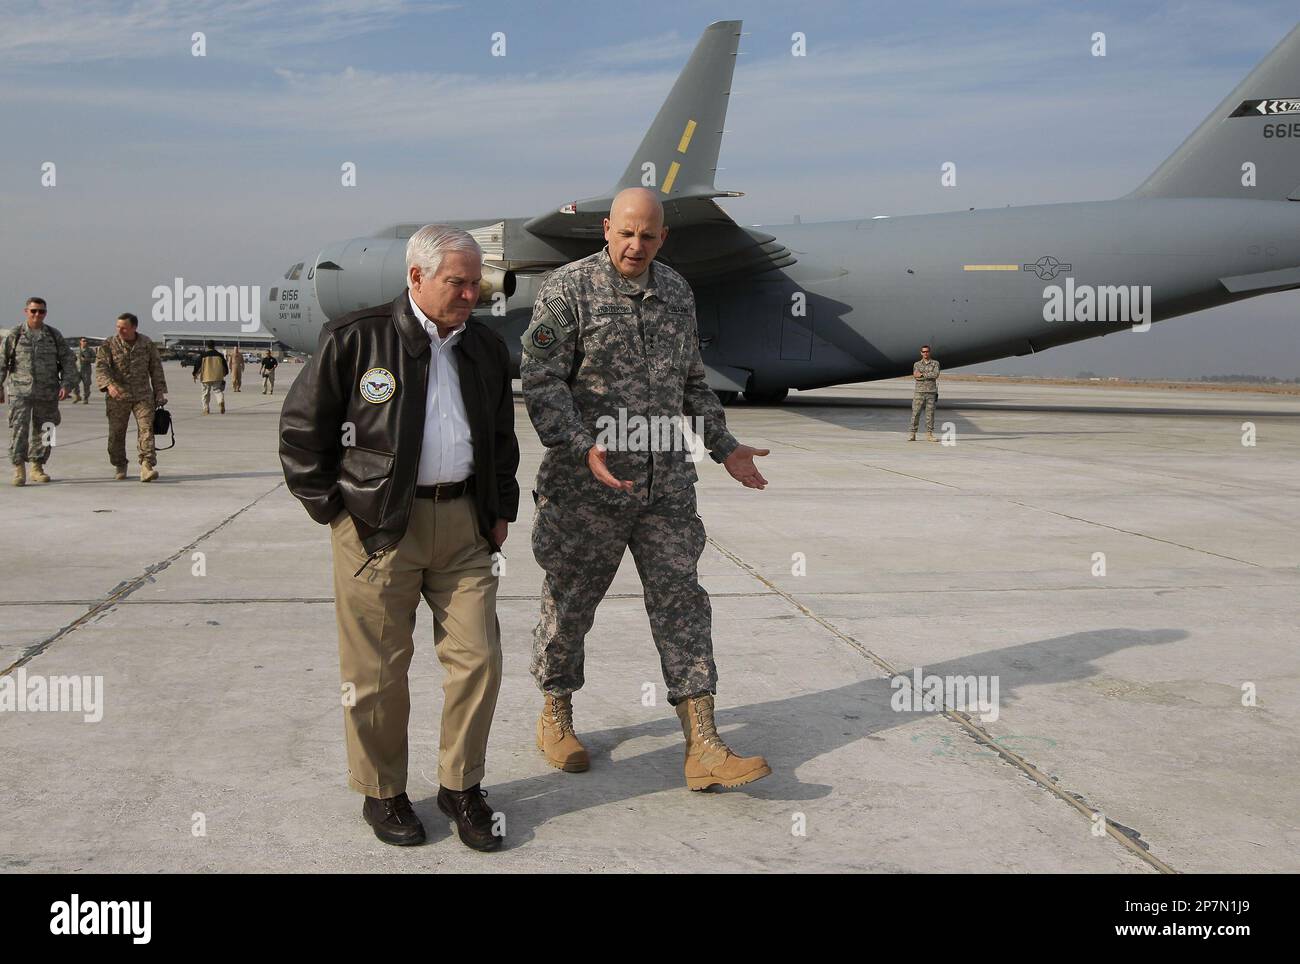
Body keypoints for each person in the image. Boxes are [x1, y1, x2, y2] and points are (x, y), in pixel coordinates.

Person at [521, 187, 772, 791]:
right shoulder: (567, 289)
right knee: (571, 602)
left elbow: (693, 383)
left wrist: (723, 444)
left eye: (648, 236)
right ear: (606, 228)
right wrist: (580, 445)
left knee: (682, 601)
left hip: (667, 484)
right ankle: (555, 712)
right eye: (626, 233)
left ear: (663, 238)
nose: (635, 246)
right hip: (588, 485)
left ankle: (703, 744)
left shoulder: (678, 292)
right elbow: (541, 380)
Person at [280, 224, 519, 851]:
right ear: (416, 277)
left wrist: (500, 509)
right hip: (379, 527)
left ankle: (460, 786)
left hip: (465, 524)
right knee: (377, 672)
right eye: (457, 283)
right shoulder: (356, 340)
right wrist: (333, 511)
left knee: (480, 658)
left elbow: (500, 438)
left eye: (476, 283)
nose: (471, 294)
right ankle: (383, 792)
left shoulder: (486, 348)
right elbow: (303, 434)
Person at [1, 297, 76, 486]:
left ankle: (38, 466)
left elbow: (68, 360)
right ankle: (19, 468)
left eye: (41, 311)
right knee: (19, 429)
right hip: (20, 391)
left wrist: (67, 384)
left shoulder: (53, 335)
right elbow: (2, 361)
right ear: (26, 311)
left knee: (47, 430)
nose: (37, 314)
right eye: (33, 311)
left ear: (45, 313)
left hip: (48, 391)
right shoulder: (15, 334)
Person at [96, 313, 168, 481]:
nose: (120, 330)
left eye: (124, 327)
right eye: (118, 327)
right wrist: (109, 385)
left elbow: (156, 368)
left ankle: (146, 465)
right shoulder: (109, 344)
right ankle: (120, 463)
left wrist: (159, 391)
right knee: (116, 434)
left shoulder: (146, 343)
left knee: (146, 430)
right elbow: (101, 368)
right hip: (118, 396)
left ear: (134, 327)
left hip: (142, 395)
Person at [908, 344, 941, 442]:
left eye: (927, 351)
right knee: (915, 413)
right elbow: (916, 376)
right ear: (921, 353)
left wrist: (922, 374)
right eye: (924, 352)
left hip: (931, 392)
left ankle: (929, 434)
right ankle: (912, 434)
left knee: (930, 414)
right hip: (919, 392)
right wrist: (926, 375)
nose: (925, 353)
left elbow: (935, 374)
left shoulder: (935, 363)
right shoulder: (917, 364)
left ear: (929, 352)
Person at [192, 339, 228, 414]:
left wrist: (194, 374)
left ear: (207, 346)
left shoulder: (203, 355)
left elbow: (197, 365)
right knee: (218, 391)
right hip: (217, 376)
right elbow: (225, 366)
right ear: (214, 346)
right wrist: (224, 374)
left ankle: (206, 409)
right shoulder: (220, 355)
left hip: (206, 376)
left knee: (205, 393)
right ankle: (221, 401)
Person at [73, 337, 96, 403]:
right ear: (80, 341)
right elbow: (72, 358)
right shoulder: (76, 350)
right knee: (74, 383)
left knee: (86, 385)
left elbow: (94, 359)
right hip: (77, 370)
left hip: (86, 371)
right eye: (83, 341)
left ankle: (86, 398)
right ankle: (77, 396)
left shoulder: (90, 350)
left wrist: (86, 359)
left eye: (86, 341)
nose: (85, 342)